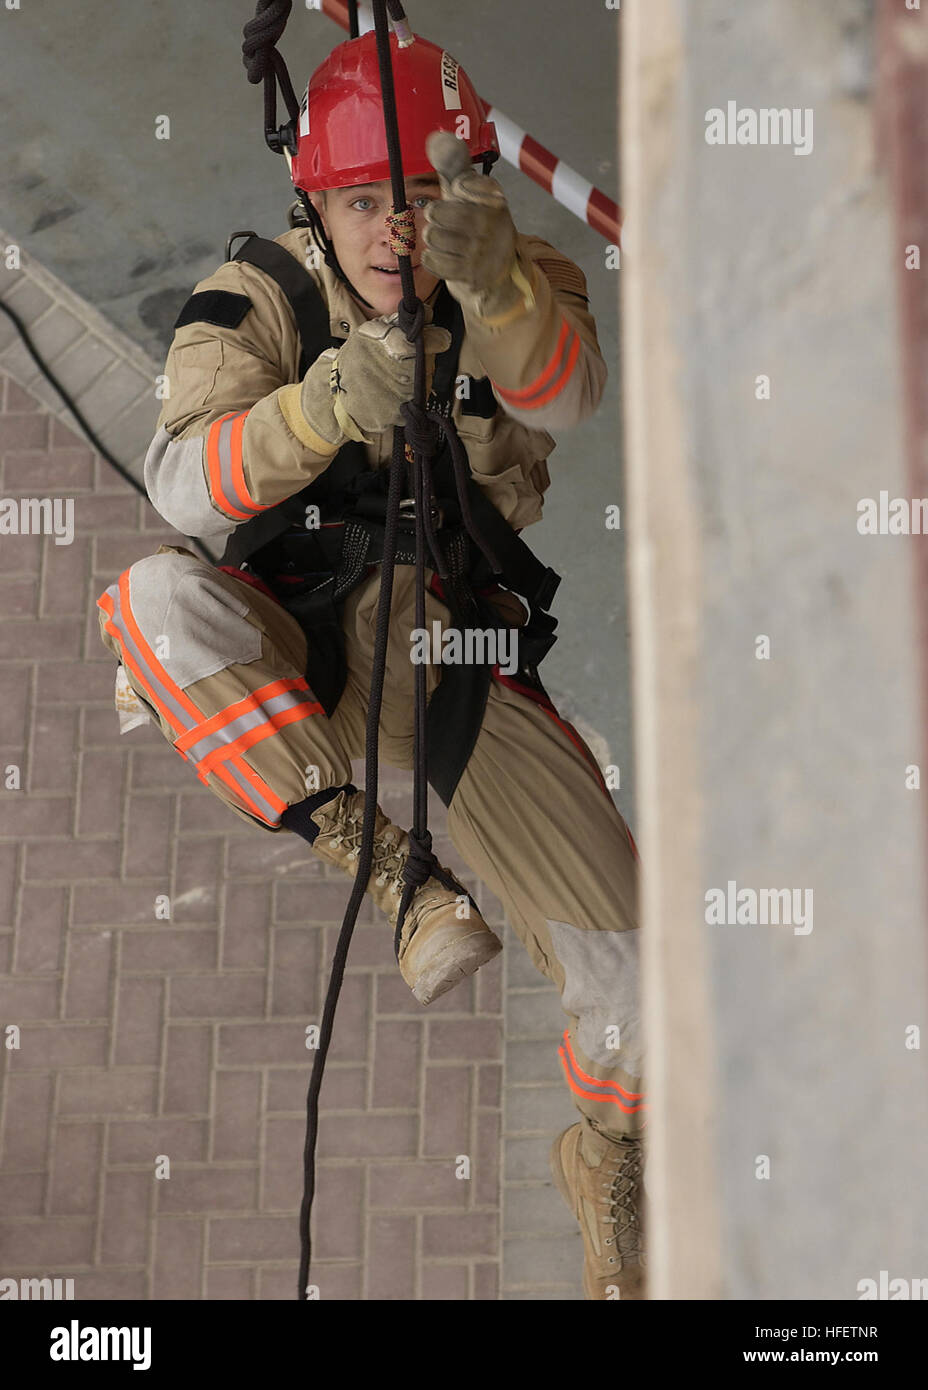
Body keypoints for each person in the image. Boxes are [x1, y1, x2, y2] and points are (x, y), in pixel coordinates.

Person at [96, 29, 645, 1301]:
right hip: (304, 644)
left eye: (415, 194)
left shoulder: (513, 275)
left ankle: (608, 1156)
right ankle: (391, 873)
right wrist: (324, 406)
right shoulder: (260, 301)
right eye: (358, 201)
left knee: (641, 978)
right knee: (153, 602)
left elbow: (564, 396)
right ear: (314, 202)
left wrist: (500, 285)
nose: (391, 230)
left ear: (464, 188)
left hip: (455, 652)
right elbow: (181, 479)